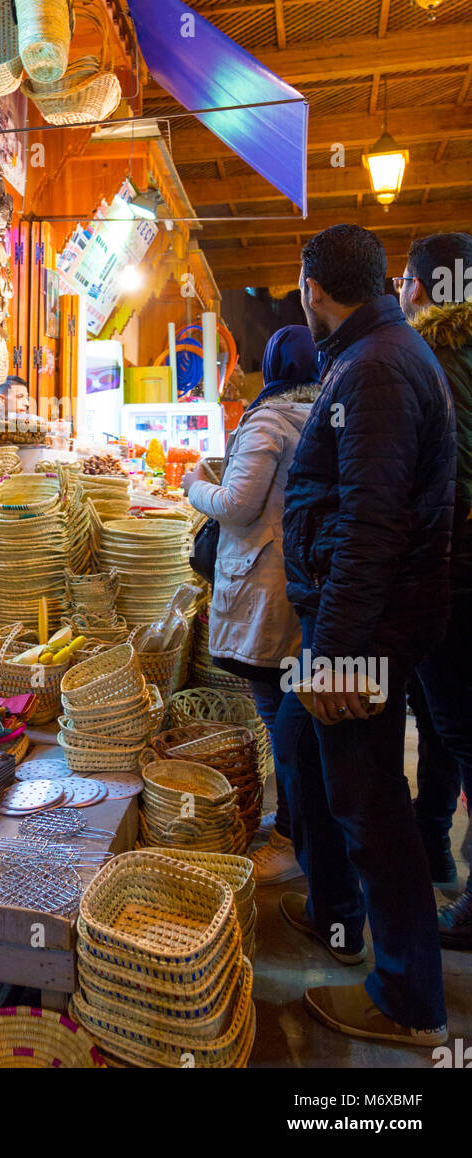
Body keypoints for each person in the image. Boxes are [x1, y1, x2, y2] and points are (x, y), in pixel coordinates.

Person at [275, 222, 455, 1047]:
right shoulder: (382, 351)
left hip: (368, 634)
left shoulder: (376, 368)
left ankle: (406, 999)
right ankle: (351, 928)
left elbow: (370, 524)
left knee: (371, 807)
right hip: (379, 623)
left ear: (315, 290)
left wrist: (338, 653)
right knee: (345, 786)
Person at [182, 327, 321, 883]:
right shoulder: (321, 410)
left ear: (270, 368)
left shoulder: (269, 418)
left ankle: (291, 837)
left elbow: (237, 506)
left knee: (279, 717)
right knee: (288, 714)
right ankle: (293, 825)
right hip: (298, 585)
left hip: (262, 585)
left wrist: (195, 485)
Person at [398, 231, 472, 946]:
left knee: (455, 723)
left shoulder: (433, 360)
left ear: (422, 290)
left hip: (455, 571)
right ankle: (434, 842)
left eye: (404, 279)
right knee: (449, 719)